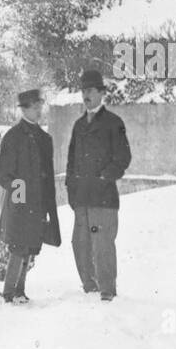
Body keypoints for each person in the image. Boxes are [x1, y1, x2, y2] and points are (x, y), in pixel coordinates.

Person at [65, 69, 132, 301]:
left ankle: (107, 291)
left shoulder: (114, 123)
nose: (86, 95)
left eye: (91, 91)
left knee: (102, 244)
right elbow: (71, 161)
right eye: (83, 91)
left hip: (103, 198)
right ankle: (89, 287)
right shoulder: (78, 125)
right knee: (80, 244)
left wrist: (105, 177)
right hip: (82, 198)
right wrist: (71, 190)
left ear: (101, 93)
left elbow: (123, 158)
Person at [0, 88, 60, 304]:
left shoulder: (44, 138)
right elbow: (3, 173)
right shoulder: (13, 137)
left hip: (39, 203)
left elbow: (47, 175)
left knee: (30, 246)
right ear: (25, 109)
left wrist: (47, 202)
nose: (39, 110)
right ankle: (9, 293)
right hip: (20, 203)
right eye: (35, 107)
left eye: (40, 105)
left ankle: (20, 292)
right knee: (18, 247)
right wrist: (20, 194)